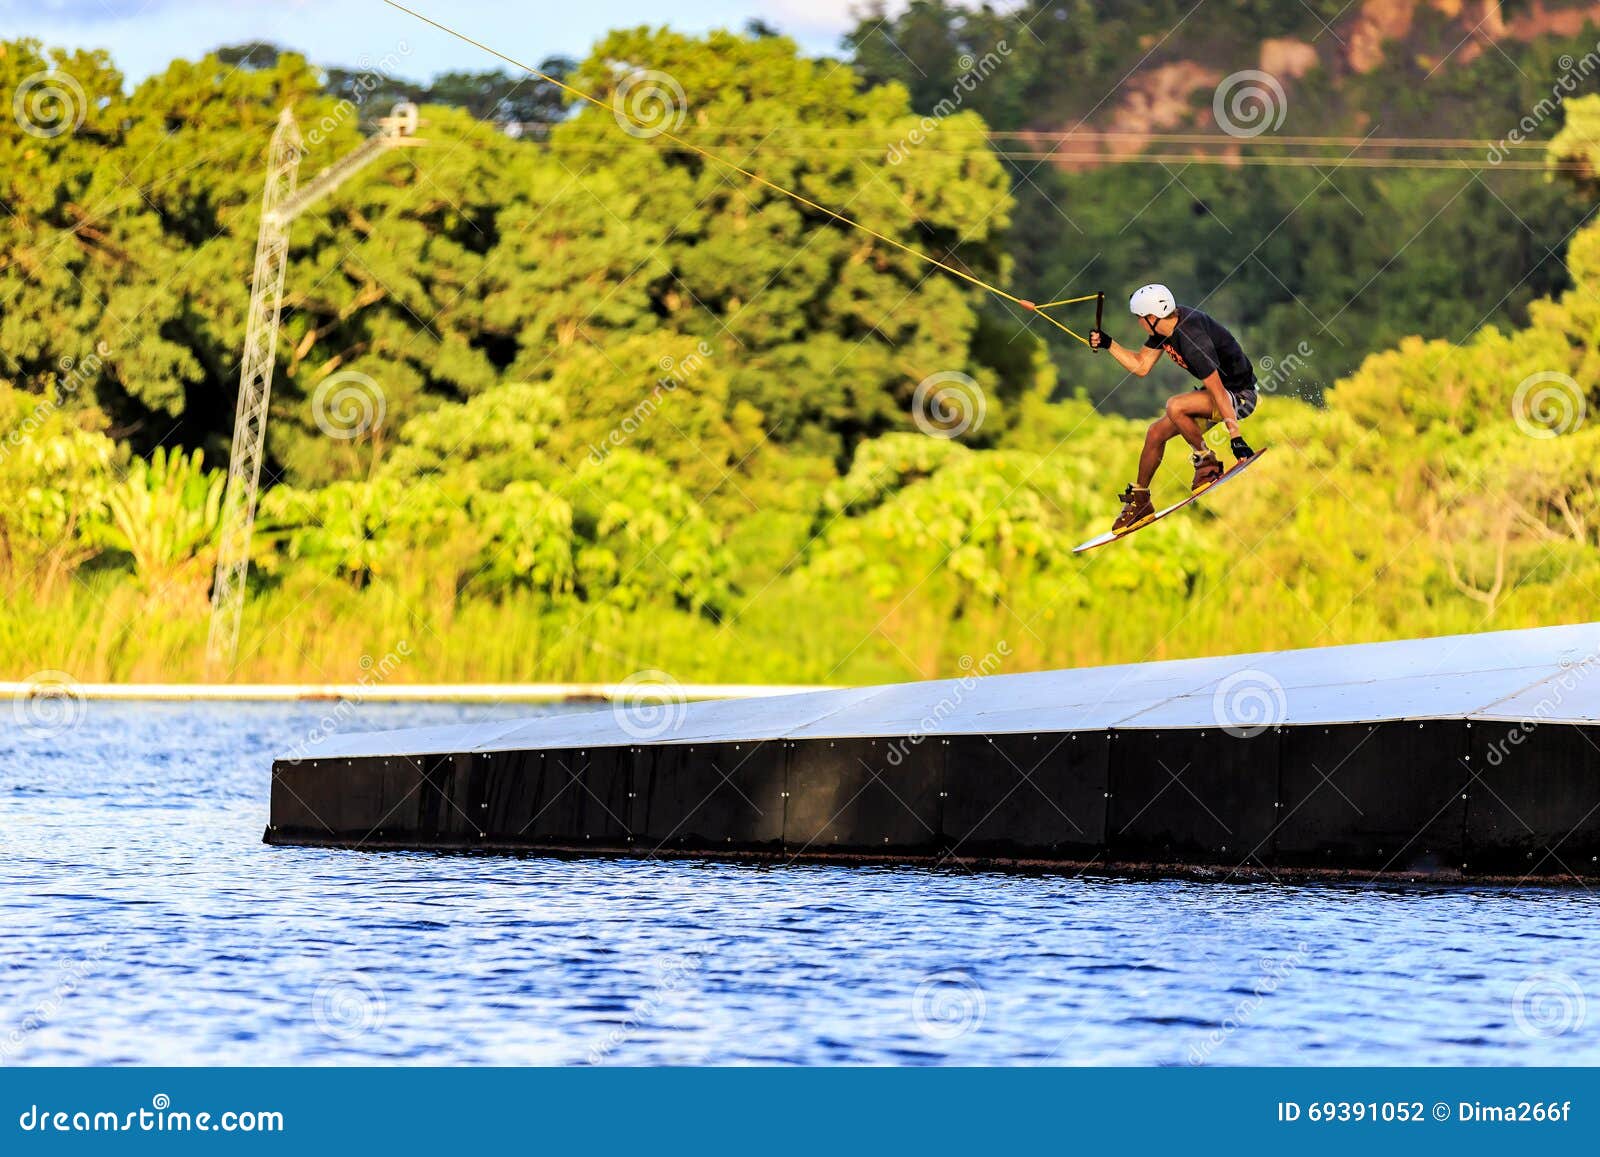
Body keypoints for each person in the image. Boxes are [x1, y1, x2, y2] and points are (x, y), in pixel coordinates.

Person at [1088, 284, 1258, 534]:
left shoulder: (1192, 340)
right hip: (1216, 396)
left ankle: (1206, 463)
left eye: (1139, 319)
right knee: (1155, 432)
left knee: (1175, 406)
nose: (1139, 324)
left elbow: (1219, 392)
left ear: (1152, 318)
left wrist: (1236, 438)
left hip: (1239, 397)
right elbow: (1141, 366)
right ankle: (1140, 501)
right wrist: (1108, 344)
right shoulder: (1163, 330)